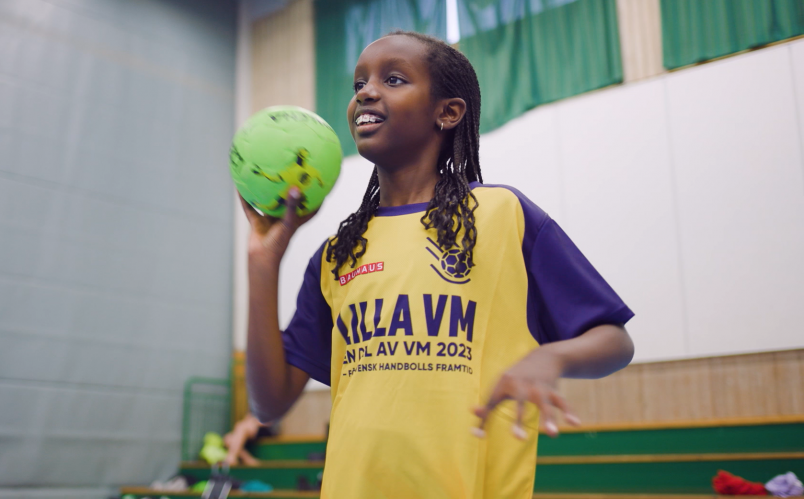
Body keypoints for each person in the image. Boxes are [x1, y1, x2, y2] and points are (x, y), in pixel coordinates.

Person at [239, 30, 635, 498]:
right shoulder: (336, 254)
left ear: (447, 112)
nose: (365, 91)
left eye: (393, 79)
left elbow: (615, 341)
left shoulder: (503, 214)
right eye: (359, 83)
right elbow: (269, 404)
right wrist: (263, 265)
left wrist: (550, 357)